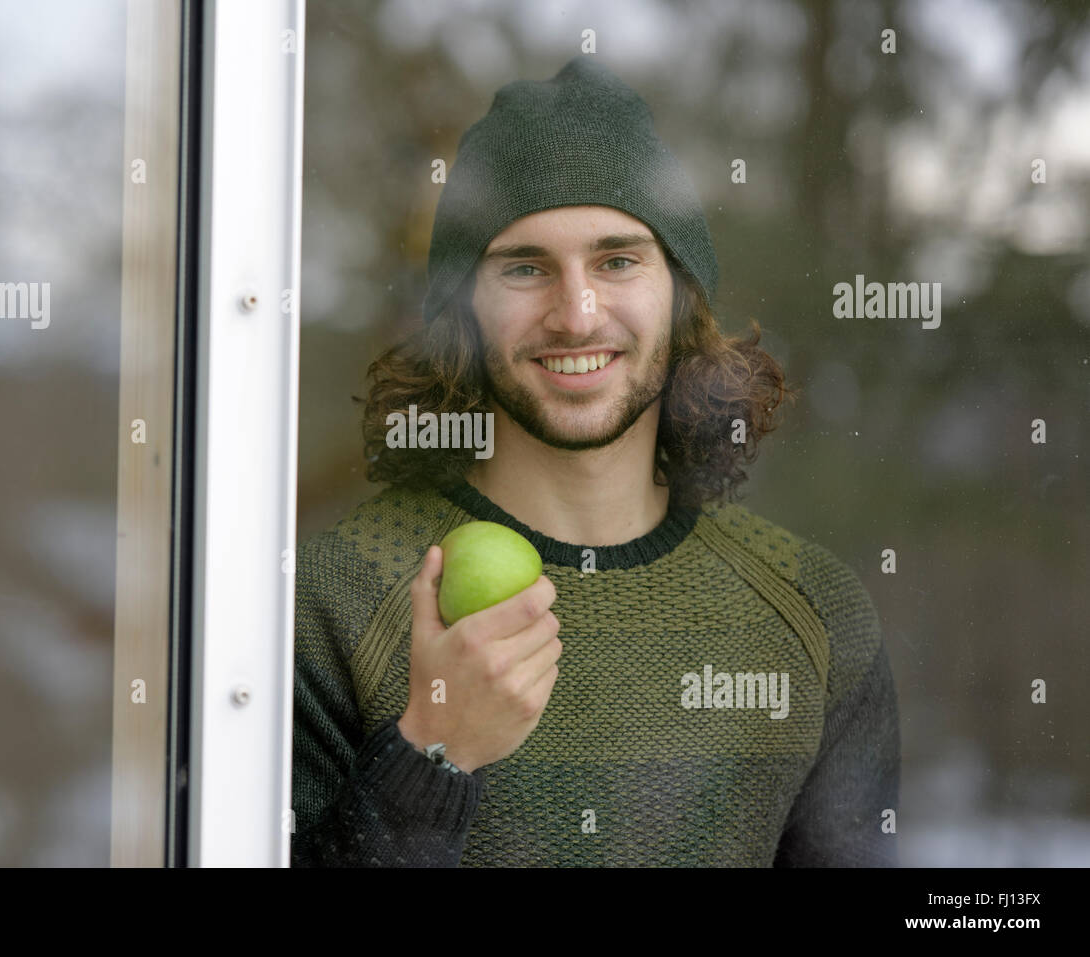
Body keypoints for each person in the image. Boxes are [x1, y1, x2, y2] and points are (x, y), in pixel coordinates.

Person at [290, 55, 899, 867]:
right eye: (524, 267)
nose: (576, 313)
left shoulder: (816, 617)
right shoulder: (331, 601)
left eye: (618, 260)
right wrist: (429, 754)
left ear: (681, 294)